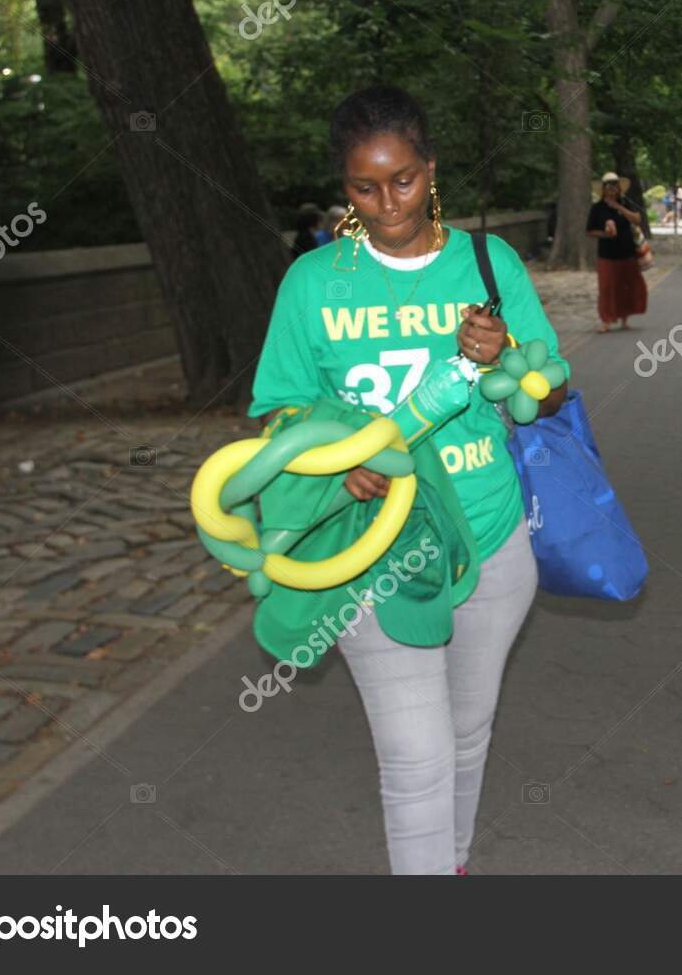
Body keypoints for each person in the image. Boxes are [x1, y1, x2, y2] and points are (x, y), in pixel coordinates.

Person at [248, 84, 569, 875]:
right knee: (417, 755)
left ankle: (451, 864)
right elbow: (279, 413)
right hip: (374, 545)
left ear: (431, 169)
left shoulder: (488, 264)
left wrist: (504, 361)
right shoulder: (314, 281)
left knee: (465, 732)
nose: (388, 203)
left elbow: (549, 393)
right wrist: (334, 465)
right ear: (344, 186)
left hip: (489, 538)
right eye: (364, 186)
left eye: (404, 180)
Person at [588, 171, 648, 332]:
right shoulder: (597, 208)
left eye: (615, 185)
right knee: (606, 287)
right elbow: (590, 231)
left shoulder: (625, 203)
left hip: (627, 252)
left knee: (627, 286)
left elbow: (637, 219)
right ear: (603, 189)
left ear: (619, 188)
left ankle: (624, 319)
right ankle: (606, 320)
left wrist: (619, 207)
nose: (612, 189)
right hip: (606, 254)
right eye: (608, 186)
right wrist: (605, 234)